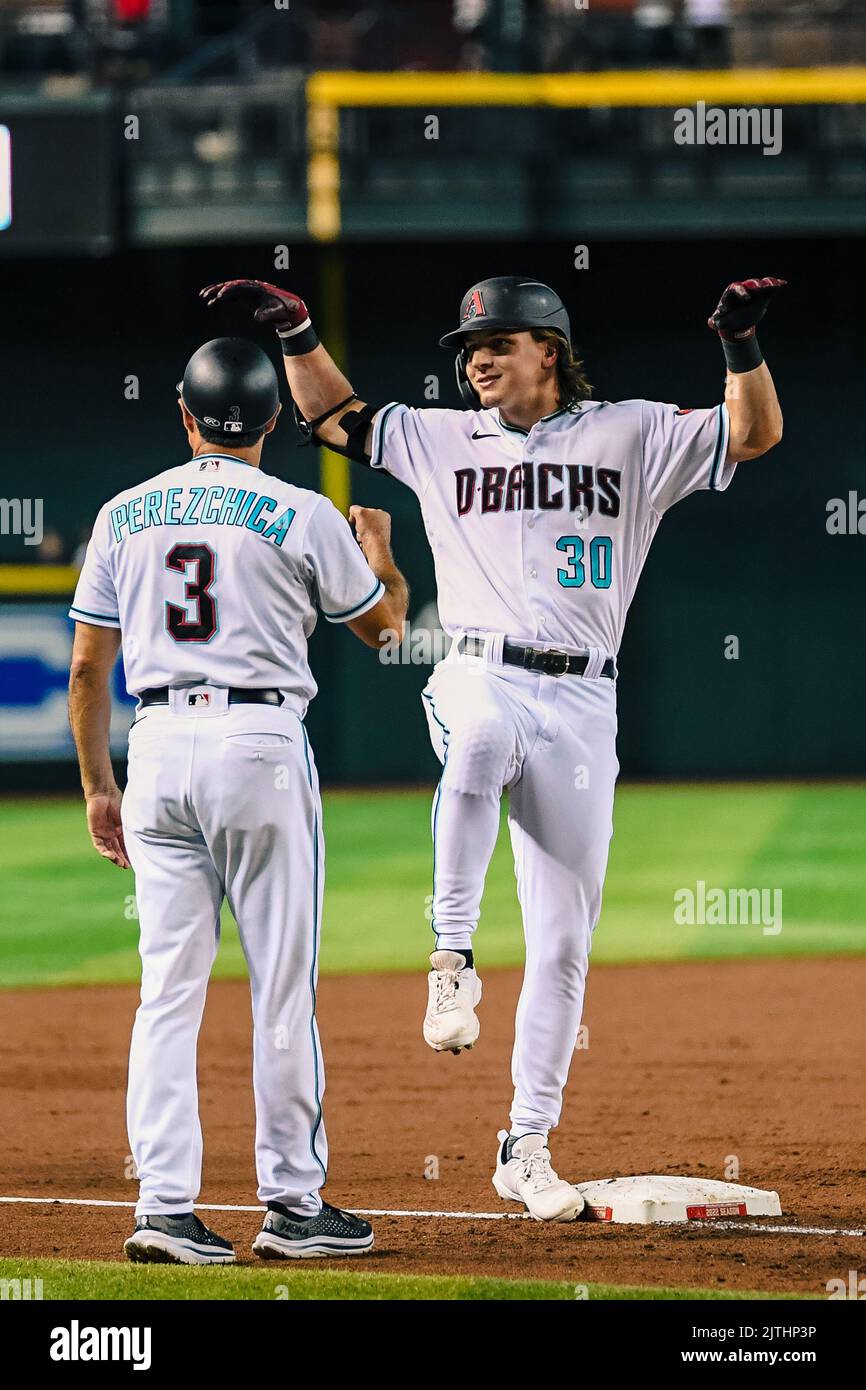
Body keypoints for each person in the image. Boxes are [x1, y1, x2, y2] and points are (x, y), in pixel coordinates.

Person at [199, 273, 784, 1222]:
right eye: (468, 347)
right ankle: (451, 956)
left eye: (497, 342)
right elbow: (339, 418)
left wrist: (741, 342)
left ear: (548, 351)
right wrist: (299, 331)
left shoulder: (632, 432)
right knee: (474, 737)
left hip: (586, 699)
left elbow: (752, 433)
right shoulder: (439, 436)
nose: (475, 358)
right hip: (478, 667)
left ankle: (526, 1145)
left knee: (562, 943)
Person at [67, 335, 408, 1262]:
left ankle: (165, 1211)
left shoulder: (121, 515)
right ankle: (294, 1207)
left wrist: (102, 784)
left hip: (156, 746)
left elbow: (91, 666)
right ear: (271, 421)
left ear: (185, 416)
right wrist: (381, 557)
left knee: (166, 992)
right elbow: (385, 632)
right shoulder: (301, 512)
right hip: (257, 746)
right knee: (280, 989)